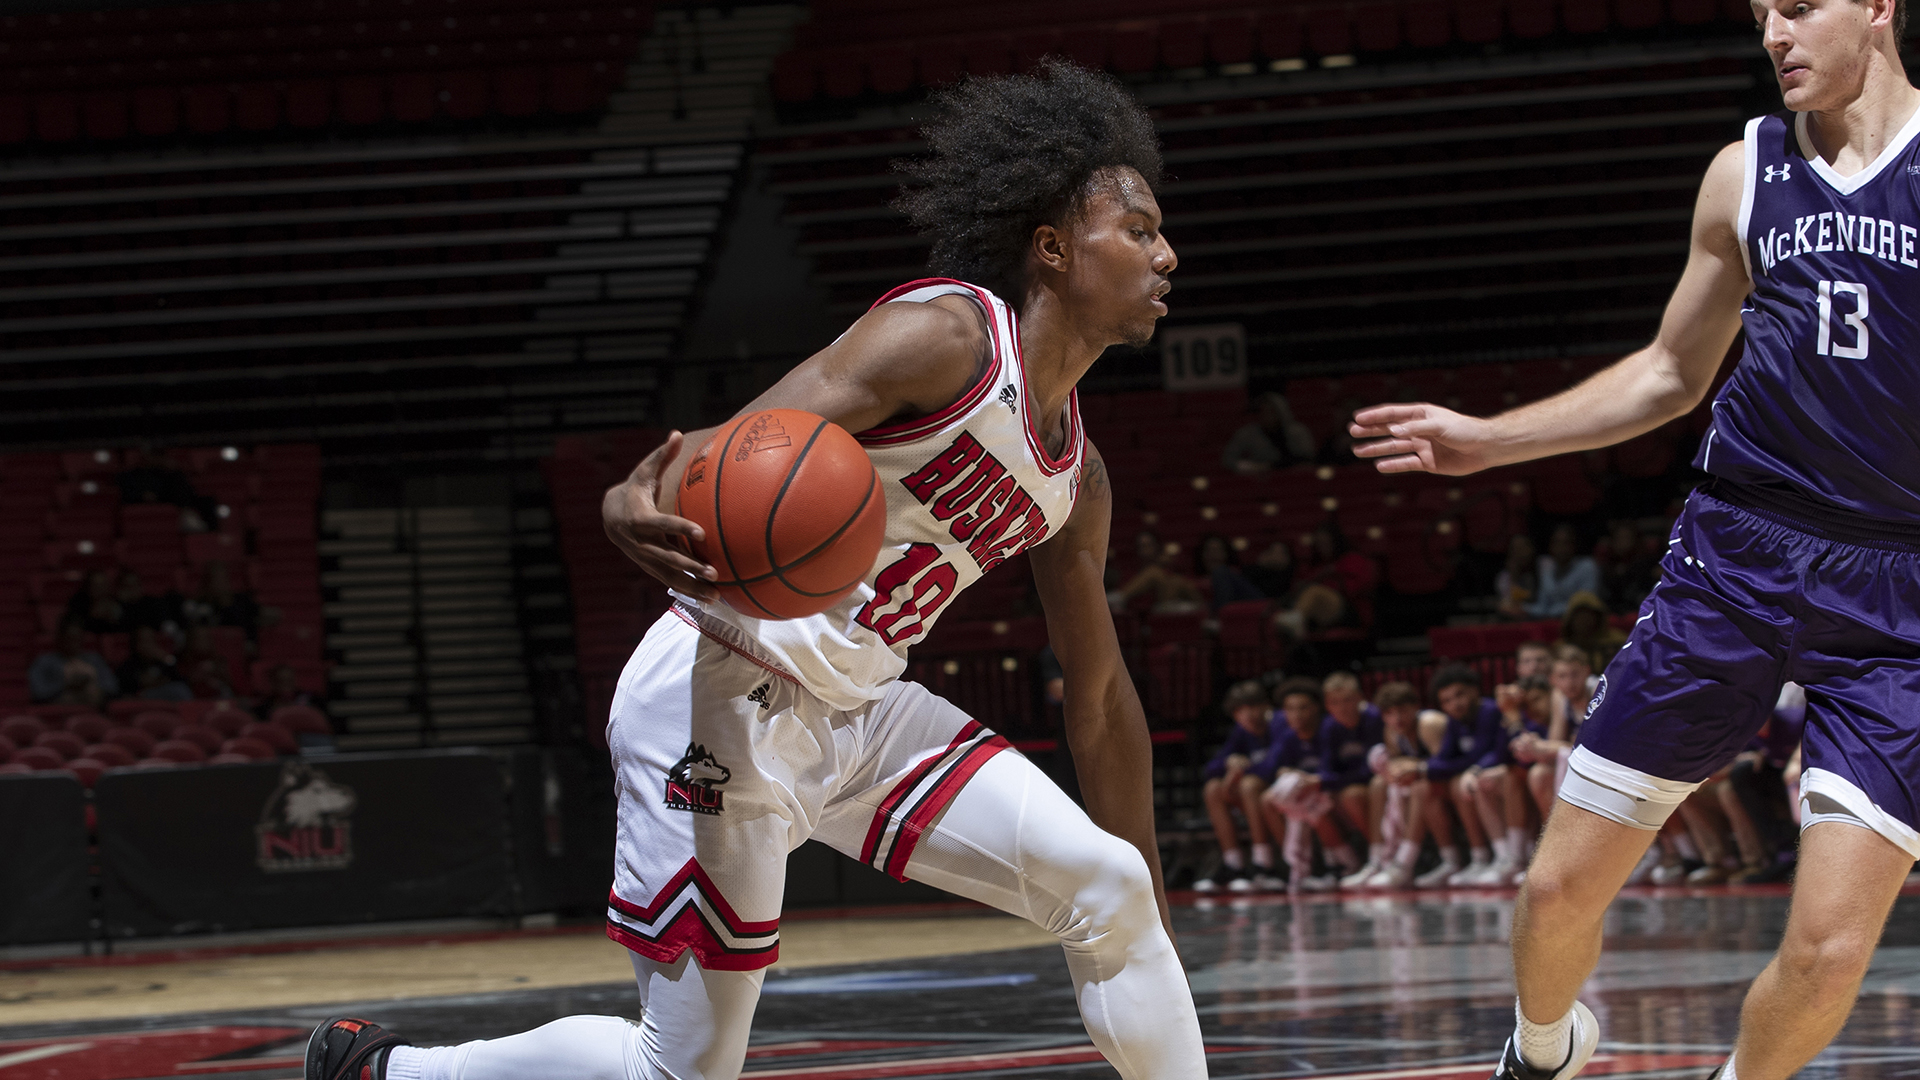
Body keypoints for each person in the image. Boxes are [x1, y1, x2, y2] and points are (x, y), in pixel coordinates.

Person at [305, 59, 1207, 1080]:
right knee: (680, 1071)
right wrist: (629, 498)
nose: (1167, 254)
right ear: (1051, 248)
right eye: (1140, 229)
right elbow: (746, 443)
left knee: (1112, 888)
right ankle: (385, 1073)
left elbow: (1097, 704)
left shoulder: (1076, 479)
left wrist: (1157, 911)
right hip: (721, 685)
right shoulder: (949, 335)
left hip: (863, 712)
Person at [1353, 2, 1920, 1076]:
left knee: (1832, 952)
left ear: (1880, 5)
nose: (1773, 34)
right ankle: (1543, 1051)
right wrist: (1490, 443)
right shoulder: (1745, 170)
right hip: (1739, 557)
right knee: (1559, 889)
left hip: (1901, 593)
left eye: (1798, 6)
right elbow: (1670, 373)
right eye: (1761, 14)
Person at [1257, 677, 1357, 891]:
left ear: (1316, 708)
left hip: (1337, 791)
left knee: (1312, 801)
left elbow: (1335, 772)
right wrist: (1284, 773)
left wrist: (1311, 780)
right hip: (1310, 796)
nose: (1297, 714)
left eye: (1303, 708)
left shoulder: (1328, 730)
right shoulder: (1287, 737)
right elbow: (1268, 769)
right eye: (1290, 709)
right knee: (1271, 799)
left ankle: (1344, 863)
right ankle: (1297, 864)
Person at [1411, 663, 1505, 888]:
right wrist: (1420, 768)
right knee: (1425, 787)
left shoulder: (1490, 711)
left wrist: (1424, 768)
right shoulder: (1455, 721)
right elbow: (1444, 756)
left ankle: (1498, 858)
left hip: (1503, 776)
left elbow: (1479, 754)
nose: (1454, 704)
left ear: (1474, 690)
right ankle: (1455, 860)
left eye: (1459, 695)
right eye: (1446, 701)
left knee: (1460, 783)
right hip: (1478, 777)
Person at [1195, 680, 1282, 893]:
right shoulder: (1241, 732)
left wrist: (1241, 772)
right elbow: (1211, 769)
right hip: (1255, 800)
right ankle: (1234, 865)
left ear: (1265, 706)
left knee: (1249, 785)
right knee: (1213, 788)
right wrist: (1229, 763)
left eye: (1253, 707)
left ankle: (1265, 864)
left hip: (1279, 795)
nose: (1248, 715)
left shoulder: (1280, 723)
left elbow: (1275, 766)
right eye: (1240, 711)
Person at [1356, 680, 1430, 890]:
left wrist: (1417, 766)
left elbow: (1445, 762)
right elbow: (1398, 764)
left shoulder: (1429, 724)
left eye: (1403, 711)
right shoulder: (1391, 732)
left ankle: (1404, 863)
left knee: (1419, 788)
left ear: (1416, 707)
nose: (1396, 718)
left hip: (1446, 784)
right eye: (1389, 713)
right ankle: (1378, 859)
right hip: (1420, 784)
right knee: (1379, 783)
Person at [1315, 672, 1386, 883]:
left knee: (1352, 796)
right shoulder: (1329, 726)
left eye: (1347, 700)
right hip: (1346, 786)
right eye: (1335, 702)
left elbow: (1371, 770)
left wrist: (1332, 782)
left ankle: (1380, 859)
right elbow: (1325, 769)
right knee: (1314, 802)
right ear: (1328, 705)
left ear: (1359, 698)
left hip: (1374, 785)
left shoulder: (1374, 719)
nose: (1342, 707)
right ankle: (1345, 864)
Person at [28, 617, 118, 706]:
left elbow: (112, 687)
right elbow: (38, 692)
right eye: (69, 638)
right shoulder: (44, 662)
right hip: (61, 713)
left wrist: (92, 686)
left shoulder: (94, 659)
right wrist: (66, 685)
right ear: (60, 638)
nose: (73, 643)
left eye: (77, 638)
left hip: (94, 711)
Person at [1109, 529, 1204, 614]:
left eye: (1148, 545)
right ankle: (1119, 597)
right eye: (1142, 546)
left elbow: (1186, 584)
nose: (1145, 550)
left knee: (1174, 580)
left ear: (1156, 546)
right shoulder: (1132, 571)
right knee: (1154, 573)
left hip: (1170, 607)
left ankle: (1119, 597)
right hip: (1144, 612)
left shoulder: (1169, 566)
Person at [1221, 391, 1315, 474]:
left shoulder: (1297, 431)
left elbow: (1308, 457)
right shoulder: (1247, 434)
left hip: (1294, 478)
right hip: (1263, 480)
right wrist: (1252, 467)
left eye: (1272, 411)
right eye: (1263, 411)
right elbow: (1228, 461)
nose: (1267, 416)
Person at [1525, 524, 1600, 619]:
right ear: (1550, 546)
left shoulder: (1587, 567)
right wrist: (1523, 608)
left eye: (1566, 543)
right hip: (1551, 624)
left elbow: (1585, 603)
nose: (1561, 548)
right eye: (1557, 543)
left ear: (1574, 545)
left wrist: (1551, 611)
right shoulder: (1547, 570)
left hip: (1580, 623)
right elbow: (1542, 606)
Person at [1558, 591, 1626, 673]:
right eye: (1579, 616)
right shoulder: (1561, 648)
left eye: (1589, 615)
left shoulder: (1618, 641)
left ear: (1599, 617)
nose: (1584, 620)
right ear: (1570, 619)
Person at [1196, 532, 1263, 610]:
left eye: (1218, 550)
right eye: (1209, 550)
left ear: (1226, 553)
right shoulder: (1192, 581)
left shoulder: (1240, 575)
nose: (1213, 555)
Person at [1494, 535, 1540, 619]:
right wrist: (1514, 578)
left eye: (1523, 547)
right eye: (1515, 549)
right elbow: (1508, 605)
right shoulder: (1504, 577)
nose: (1520, 553)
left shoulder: (1544, 567)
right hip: (1520, 617)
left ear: (1532, 548)